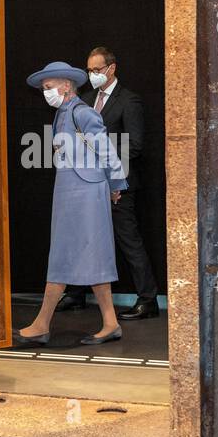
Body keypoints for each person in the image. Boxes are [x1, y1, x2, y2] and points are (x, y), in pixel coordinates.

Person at [15, 61, 129, 347]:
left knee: (76, 253)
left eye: (49, 87)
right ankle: (109, 323)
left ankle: (42, 324)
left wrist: (116, 185)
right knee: (78, 254)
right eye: (44, 89)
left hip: (86, 192)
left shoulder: (81, 112)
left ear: (66, 86)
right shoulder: (62, 114)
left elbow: (106, 150)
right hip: (71, 191)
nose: (46, 93)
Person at [56, 47, 161, 321]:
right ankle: (76, 294)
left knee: (128, 240)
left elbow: (134, 145)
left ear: (111, 69)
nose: (92, 75)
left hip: (118, 183)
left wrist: (98, 152)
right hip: (86, 185)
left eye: (96, 70)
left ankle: (148, 299)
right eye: (89, 70)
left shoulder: (129, 101)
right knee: (82, 240)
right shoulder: (85, 101)